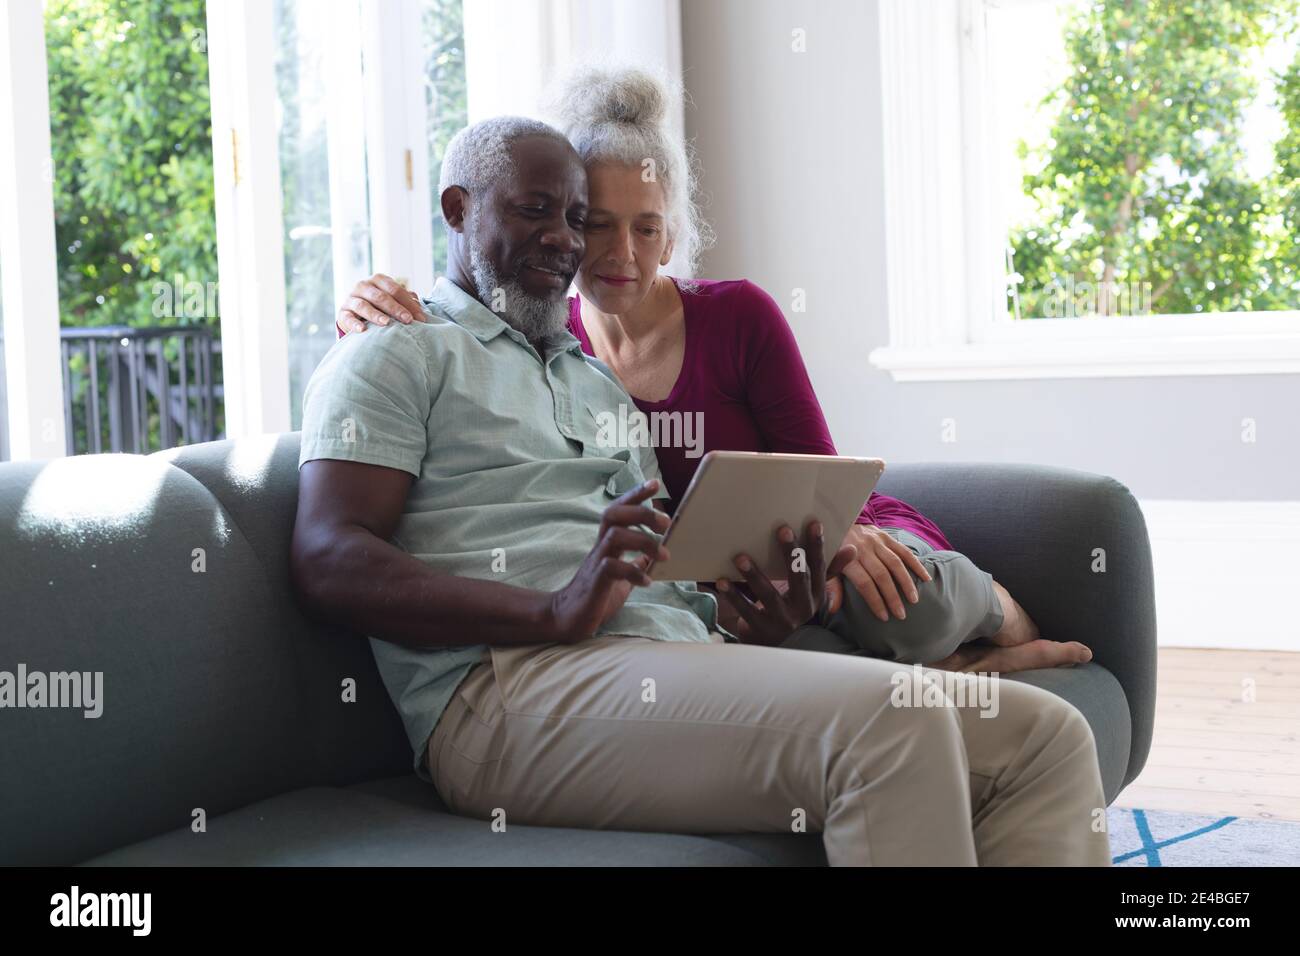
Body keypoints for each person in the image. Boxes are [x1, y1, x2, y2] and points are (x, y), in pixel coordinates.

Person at [293, 114, 1112, 865]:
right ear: (458, 209)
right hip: (505, 690)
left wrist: (760, 619)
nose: (562, 240)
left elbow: (667, 579)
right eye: (533, 211)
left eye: (574, 219)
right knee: (894, 722)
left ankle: (976, 622)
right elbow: (330, 559)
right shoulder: (394, 352)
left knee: (1045, 738)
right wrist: (551, 610)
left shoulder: (593, 383)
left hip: (657, 662)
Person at [337, 66, 1092, 675]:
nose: (617, 253)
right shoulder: (547, 347)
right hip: (715, 592)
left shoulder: (737, 316)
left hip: (830, 539)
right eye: (592, 223)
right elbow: (462, 302)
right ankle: (957, 670)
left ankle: (1001, 614)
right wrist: (368, 304)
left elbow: (824, 476)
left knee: (893, 598)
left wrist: (844, 536)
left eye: (646, 229)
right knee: (798, 634)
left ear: (672, 238)